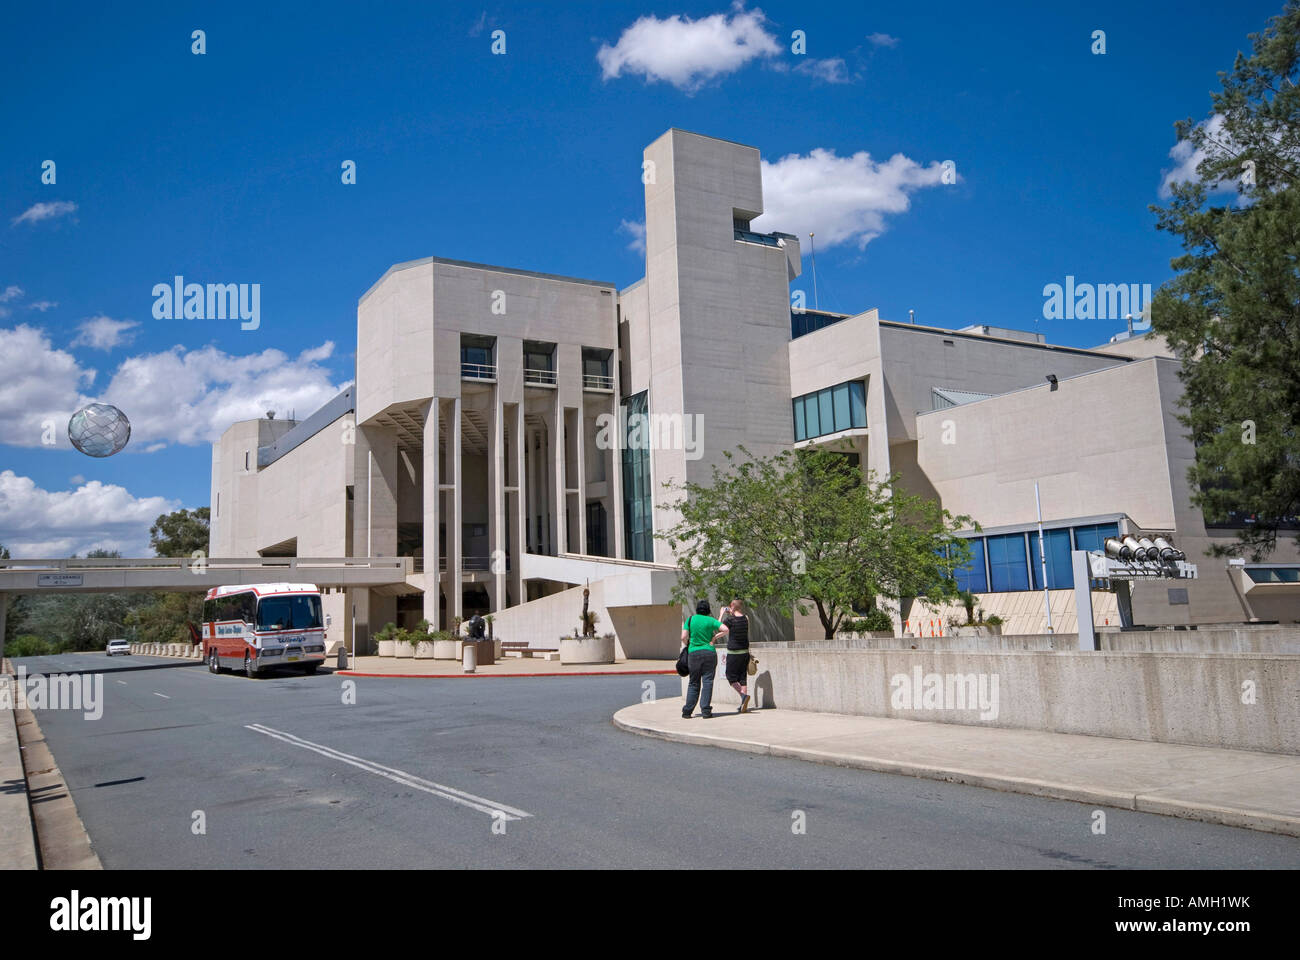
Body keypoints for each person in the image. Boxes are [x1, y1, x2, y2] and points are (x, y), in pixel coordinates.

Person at [680, 599, 727, 718]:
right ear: (708, 610)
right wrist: (714, 638)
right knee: (707, 682)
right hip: (709, 653)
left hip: (693, 654)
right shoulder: (711, 620)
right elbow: (726, 629)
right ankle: (705, 710)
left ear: (697, 609)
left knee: (693, 683)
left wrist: (688, 644)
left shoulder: (690, 619)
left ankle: (687, 711)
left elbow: (683, 637)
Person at [720, 598, 752, 712]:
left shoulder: (730, 620)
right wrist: (733, 611)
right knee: (742, 677)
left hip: (734, 653)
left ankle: (743, 696)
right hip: (745, 652)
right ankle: (743, 704)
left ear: (732, 606)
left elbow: (719, 626)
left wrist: (721, 614)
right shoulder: (746, 618)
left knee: (730, 676)